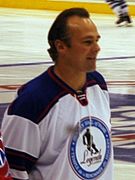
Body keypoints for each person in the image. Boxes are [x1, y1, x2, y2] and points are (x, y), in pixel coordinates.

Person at [1, 7, 114, 180]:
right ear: (60, 46)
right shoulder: (32, 102)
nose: (97, 48)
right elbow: (11, 173)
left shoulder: (97, 84)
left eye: (97, 40)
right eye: (87, 42)